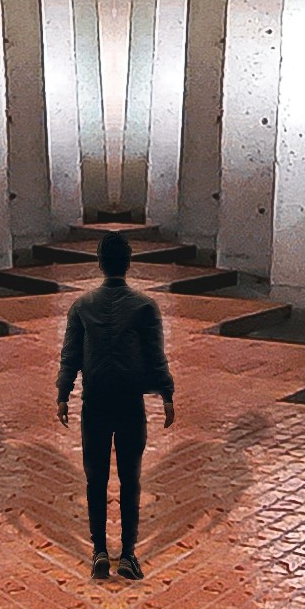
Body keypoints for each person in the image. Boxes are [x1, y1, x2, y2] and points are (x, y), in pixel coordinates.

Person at [54, 231, 174, 579]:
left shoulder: (82, 306)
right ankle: (129, 556)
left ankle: (99, 552)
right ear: (128, 263)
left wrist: (63, 394)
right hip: (129, 402)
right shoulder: (144, 306)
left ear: (100, 263)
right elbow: (155, 356)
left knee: (96, 479)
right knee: (129, 479)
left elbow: (70, 355)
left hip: (95, 401)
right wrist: (166, 394)